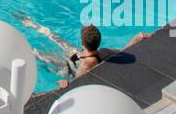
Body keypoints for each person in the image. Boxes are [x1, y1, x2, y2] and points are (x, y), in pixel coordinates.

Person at [14, 17, 148, 85]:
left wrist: (65, 84)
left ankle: (26, 36)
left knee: (39, 55)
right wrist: (137, 37)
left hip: (67, 68)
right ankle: (32, 24)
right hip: (78, 55)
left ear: (83, 42)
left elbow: (77, 82)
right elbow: (124, 50)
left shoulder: (87, 65)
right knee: (56, 38)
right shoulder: (104, 51)